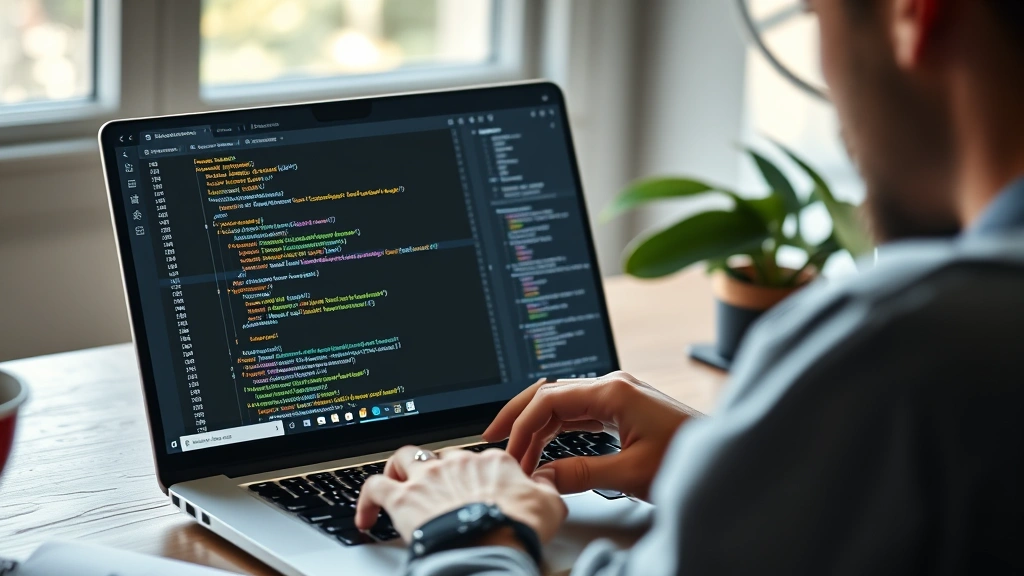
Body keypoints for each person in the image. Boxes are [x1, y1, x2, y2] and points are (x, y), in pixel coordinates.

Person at [355, 0, 1024, 573]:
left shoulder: (908, 346)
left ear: (914, 12)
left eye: (817, 12)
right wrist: (761, 476)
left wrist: (471, 526)